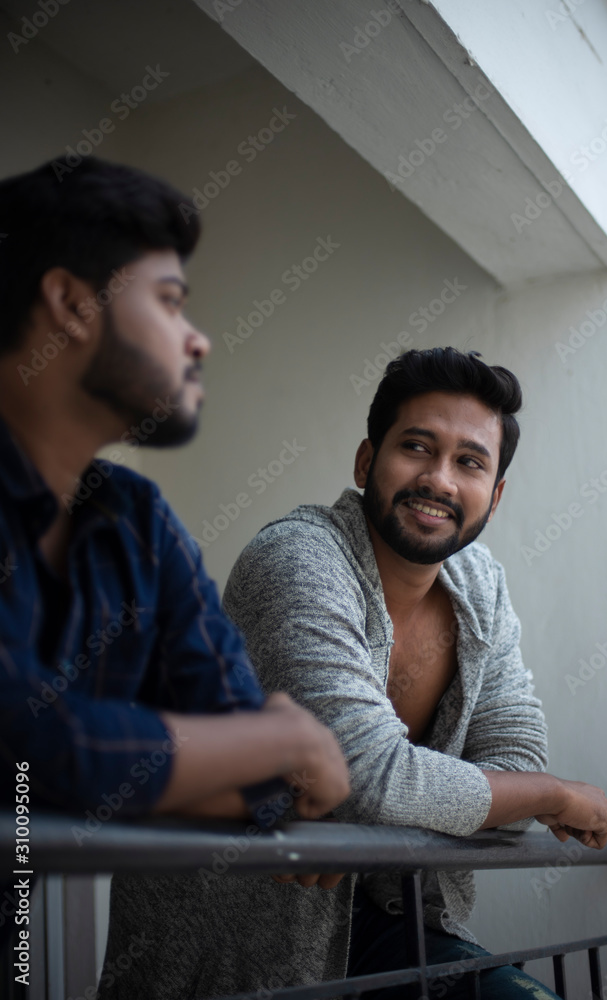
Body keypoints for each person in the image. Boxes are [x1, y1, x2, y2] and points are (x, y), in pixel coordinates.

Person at [101, 347, 607, 999]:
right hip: (236, 950)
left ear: (496, 495)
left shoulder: (481, 587)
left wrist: (395, 802)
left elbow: (508, 762)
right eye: (418, 447)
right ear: (367, 461)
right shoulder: (297, 559)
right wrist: (550, 795)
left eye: (470, 462)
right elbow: (375, 776)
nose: (440, 481)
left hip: (394, 930)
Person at [0, 156, 350, 956]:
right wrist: (289, 741)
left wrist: (249, 759)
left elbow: (257, 784)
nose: (200, 338)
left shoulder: (137, 523)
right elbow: (22, 748)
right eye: (169, 301)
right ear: (70, 303)